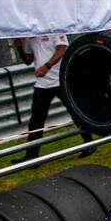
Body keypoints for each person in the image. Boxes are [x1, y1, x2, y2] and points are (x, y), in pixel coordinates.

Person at [15, 33, 95, 162]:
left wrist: (47, 66)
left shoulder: (54, 28)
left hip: (60, 80)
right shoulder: (29, 36)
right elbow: (28, 60)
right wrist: (19, 47)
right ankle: (32, 156)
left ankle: (89, 144)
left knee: (75, 112)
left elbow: (62, 49)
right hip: (42, 84)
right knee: (36, 120)